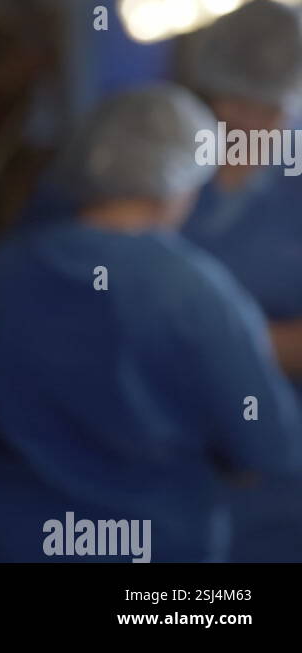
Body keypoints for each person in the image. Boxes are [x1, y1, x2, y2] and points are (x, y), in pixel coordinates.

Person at [0, 84, 302, 562]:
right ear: (181, 184)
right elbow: (268, 445)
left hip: (20, 538)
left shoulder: (3, 270)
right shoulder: (197, 293)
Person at [177, 0, 302, 562]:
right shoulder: (174, 159)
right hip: (174, 447)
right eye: (224, 100)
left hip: (277, 475)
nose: (238, 118)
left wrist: (235, 342)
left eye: (260, 105)